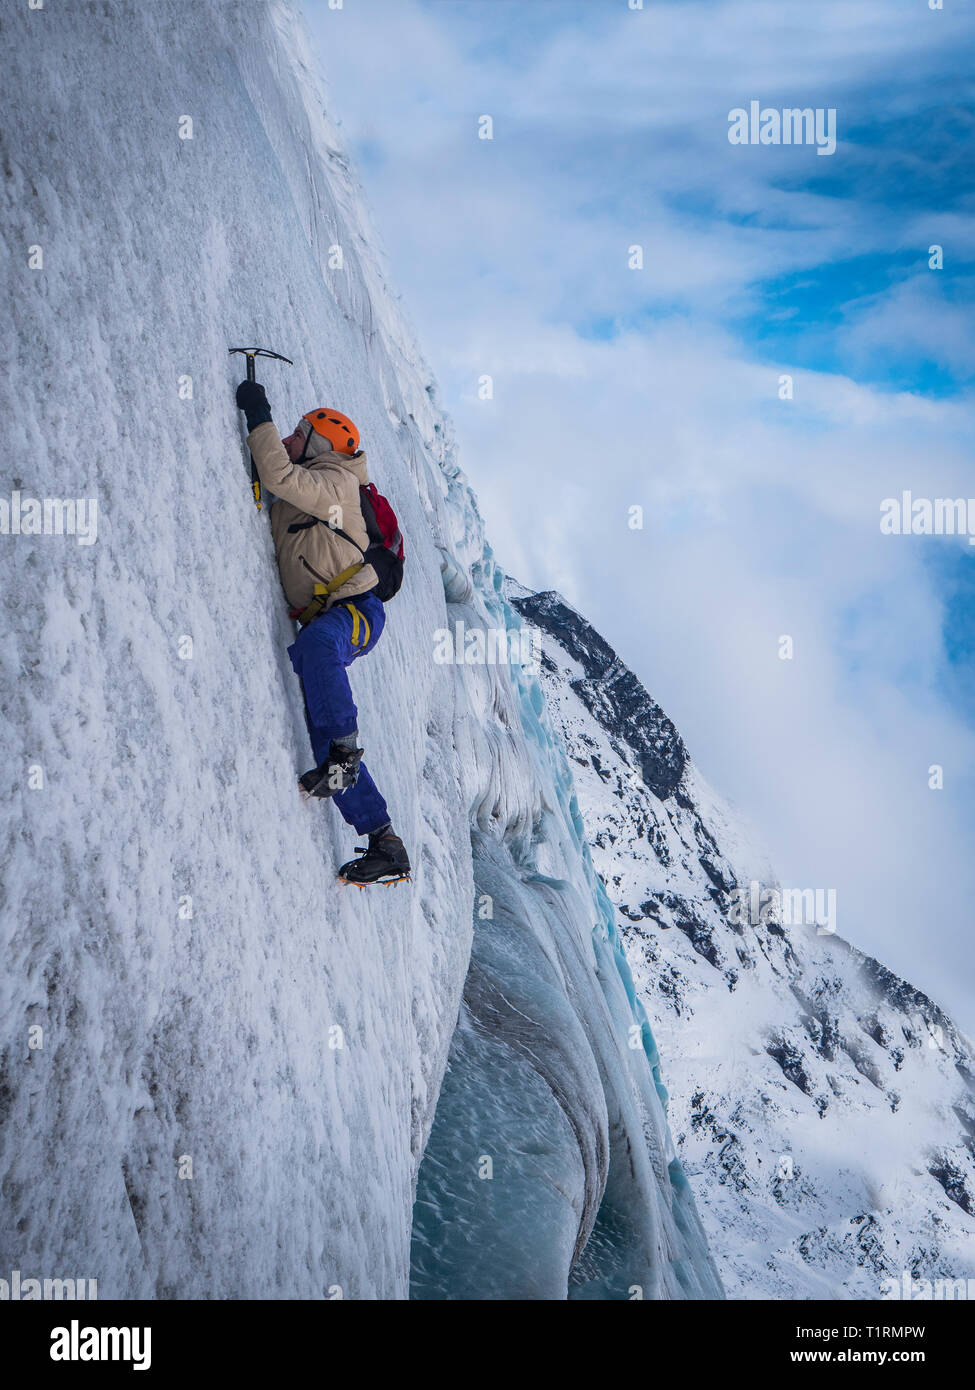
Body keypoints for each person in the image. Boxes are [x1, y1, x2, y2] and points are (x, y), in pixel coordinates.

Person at [236, 378, 411, 885]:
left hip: (354, 610)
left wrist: (257, 410)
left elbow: (276, 471)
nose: (289, 439)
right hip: (331, 614)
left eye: (298, 433)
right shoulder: (317, 483)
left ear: (322, 445)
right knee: (321, 728)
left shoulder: (336, 482)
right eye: (288, 432)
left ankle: (343, 755)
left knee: (319, 650)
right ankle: (384, 842)